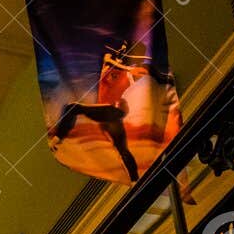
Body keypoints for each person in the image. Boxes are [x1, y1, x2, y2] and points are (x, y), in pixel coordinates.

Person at [49, 39, 158, 183]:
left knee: (73, 108)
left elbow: (138, 71)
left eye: (124, 50)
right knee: (122, 149)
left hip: (112, 110)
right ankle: (135, 180)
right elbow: (109, 60)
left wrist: (123, 64)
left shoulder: (130, 72)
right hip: (108, 114)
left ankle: (56, 140)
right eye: (121, 49)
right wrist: (115, 59)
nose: (120, 51)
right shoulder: (108, 66)